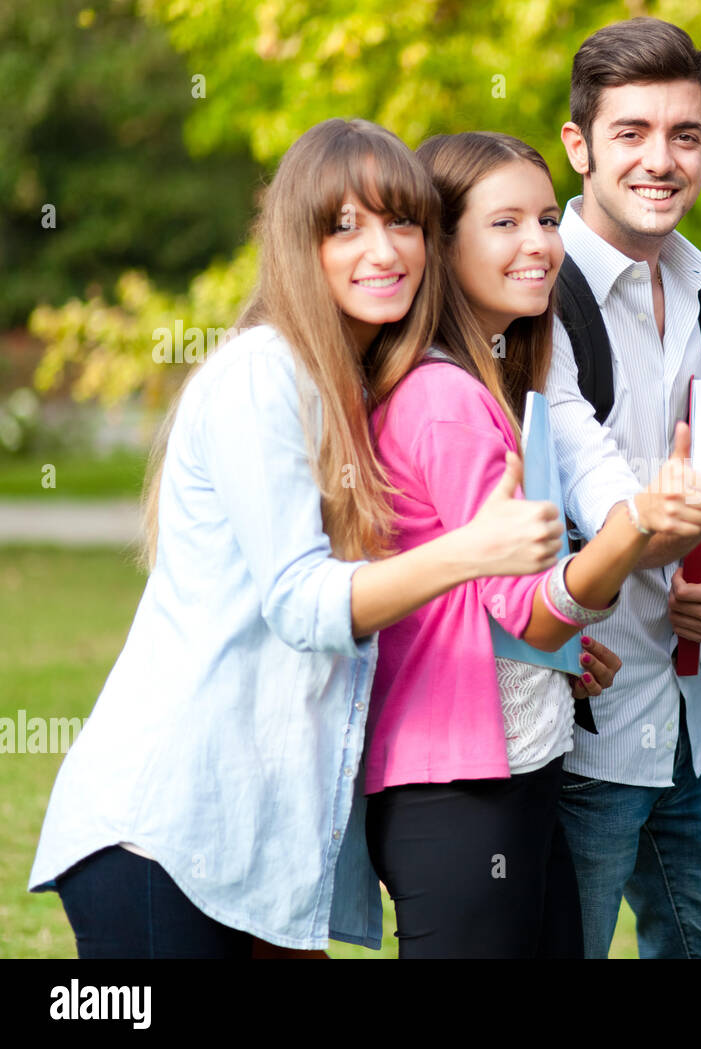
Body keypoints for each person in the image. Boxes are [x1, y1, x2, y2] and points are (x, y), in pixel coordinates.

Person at [27, 118, 565, 958]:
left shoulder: (355, 386)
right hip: (167, 833)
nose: (382, 250)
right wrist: (474, 549)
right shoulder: (263, 374)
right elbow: (302, 602)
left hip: (270, 842)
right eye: (343, 226)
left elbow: (397, 600)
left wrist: (536, 645)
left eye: (402, 223)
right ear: (295, 243)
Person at [362, 130, 701, 958]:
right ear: (442, 248)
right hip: (460, 788)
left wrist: (555, 662)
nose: (541, 244)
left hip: (508, 770)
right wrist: (638, 526)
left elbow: (479, 603)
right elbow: (529, 613)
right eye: (506, 223)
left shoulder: (494, 382)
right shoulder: (447, 398)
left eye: (549, 219)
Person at [544, 17, 701, 958]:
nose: (662, 160)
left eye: (684, 136)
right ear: (578, 146)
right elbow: (583, 494)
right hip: (579, 724)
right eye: (631, 134)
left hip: (688, 720)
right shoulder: (538, 291)